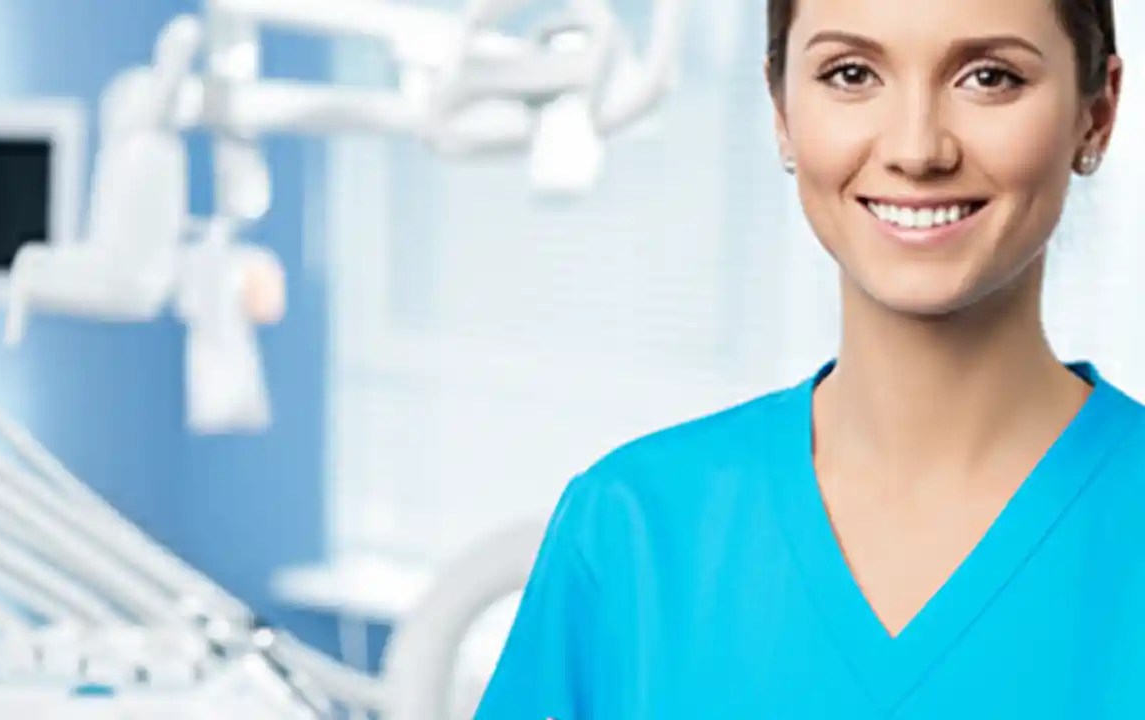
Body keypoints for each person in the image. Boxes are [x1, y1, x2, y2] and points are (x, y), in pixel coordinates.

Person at [475, 0, 1135, 717]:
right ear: (782, 109)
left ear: (1096, 113)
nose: (917, 150)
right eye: (851, 73)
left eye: (989, 77)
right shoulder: (631, 530)